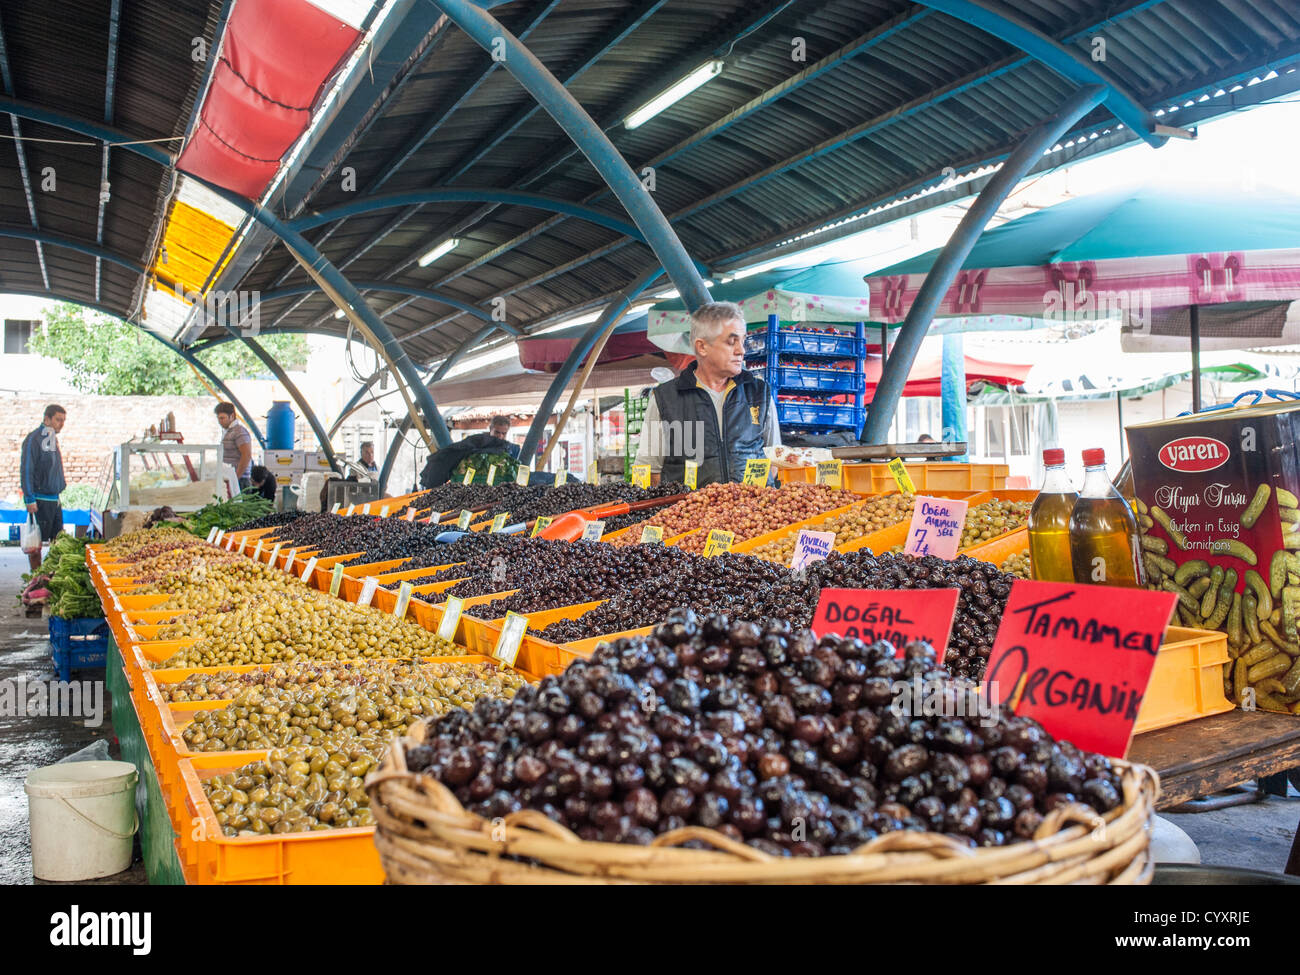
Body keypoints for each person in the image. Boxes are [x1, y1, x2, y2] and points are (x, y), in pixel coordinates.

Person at [635, 301, 780, 486]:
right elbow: (649, 472)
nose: (741, 350)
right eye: (731, 341)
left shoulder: (759, 393)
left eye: (743, 341)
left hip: (754, 513)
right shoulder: (665, 399)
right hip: (692, 513)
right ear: (702, 347)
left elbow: (774, 461)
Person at [20, 404, 67, 572]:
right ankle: (35, 579)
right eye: (58, 420)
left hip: (54, 499)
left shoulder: (51, 438)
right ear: (47, 419)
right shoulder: (34, 439)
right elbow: (27, 469)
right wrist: (29, 498)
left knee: (58, 540)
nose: (61, 424)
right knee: (36, 544)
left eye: (63, 420)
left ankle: (51, 576)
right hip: (40, 499)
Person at [215, 402, 253, 490]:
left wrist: (236, 478)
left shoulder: (239, 431)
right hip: (230, 478)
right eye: (218, 418)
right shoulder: (227, 432)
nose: (220, 421)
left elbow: (246, 455)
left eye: (222, 418)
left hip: (240, 480)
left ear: (232, 416)